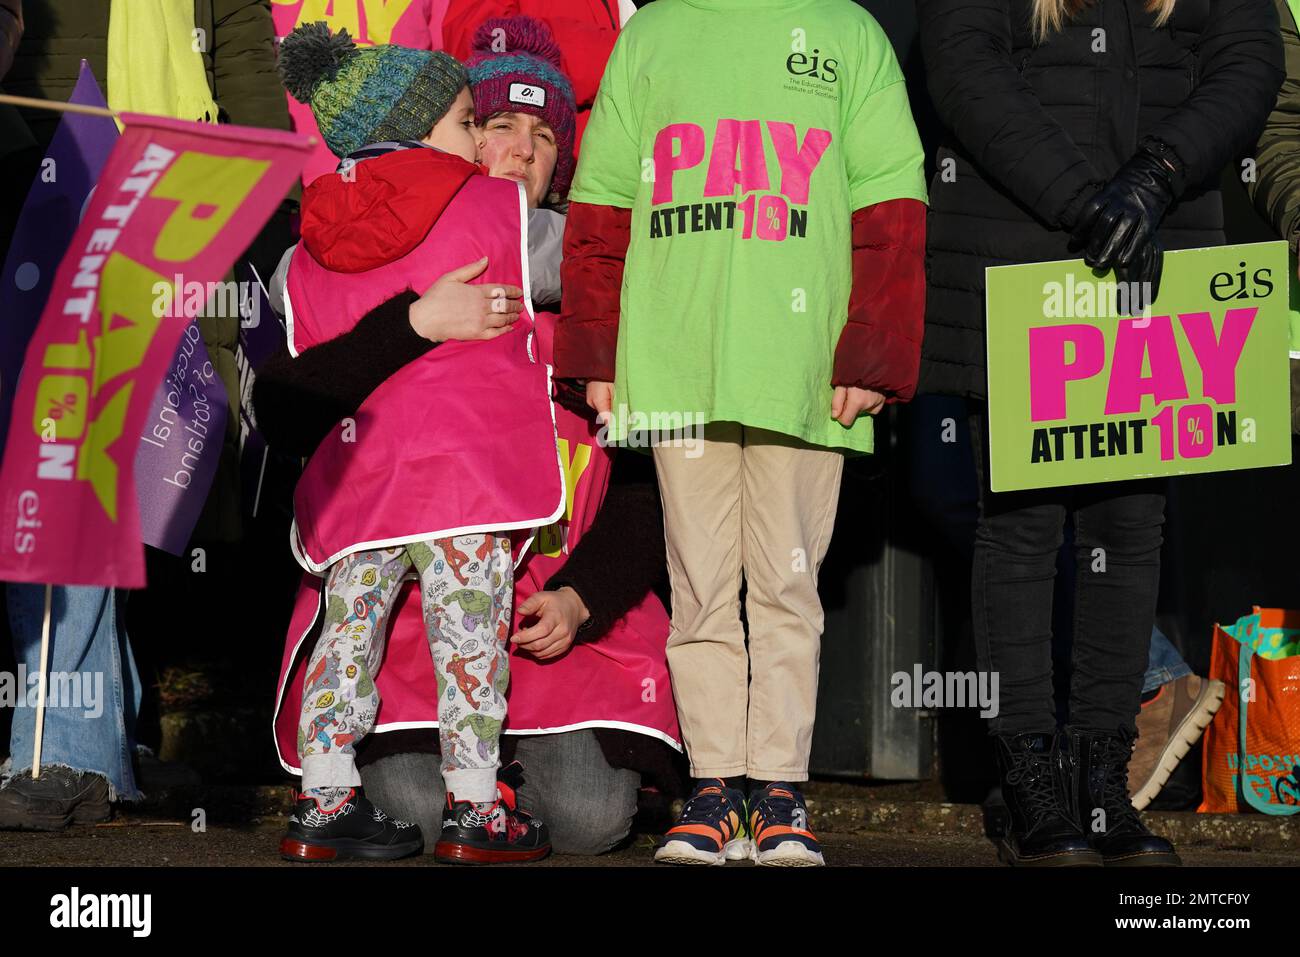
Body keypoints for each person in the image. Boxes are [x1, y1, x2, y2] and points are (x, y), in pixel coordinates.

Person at [264, 15, 683, 858]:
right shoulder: (484, 231)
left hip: (559, 620)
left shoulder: (580, 290)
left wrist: (582, 598)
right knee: (417, 811)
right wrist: (416, 321)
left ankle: (365, 796)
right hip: (417, 619)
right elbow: (285, 406)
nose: (524, 151)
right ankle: (454, 801)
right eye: (492, 126)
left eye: (545, 136)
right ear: (438, 140)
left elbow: (645, 483)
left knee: (590, 819)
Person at [555, 0, 928, 866]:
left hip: (797, 367)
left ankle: (781, 788)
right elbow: (603, 199)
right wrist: (599, 347)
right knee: (698, 588)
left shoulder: (847, 33)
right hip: (676, 361)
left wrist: (868, 349)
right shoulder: (653, 33)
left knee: (788, 587)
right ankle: (716, 784)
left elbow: (891, 202)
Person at [917, 0, 1284, 865]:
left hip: (1161, 254)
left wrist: (1155, 175)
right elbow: (967, 66)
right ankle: (1032, 787)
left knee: (1131, 527)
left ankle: (1102, 789)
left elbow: (1249, 62)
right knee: (1023, 528)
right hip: (1024, 256)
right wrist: (1086, 202)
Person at [0, 0, 289, 831]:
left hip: (167, 184)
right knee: (63, 450)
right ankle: (78, 740)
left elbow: (234, 32)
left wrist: (275, 193)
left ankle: (88, 740)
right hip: (52, 166)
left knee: (110, 457)